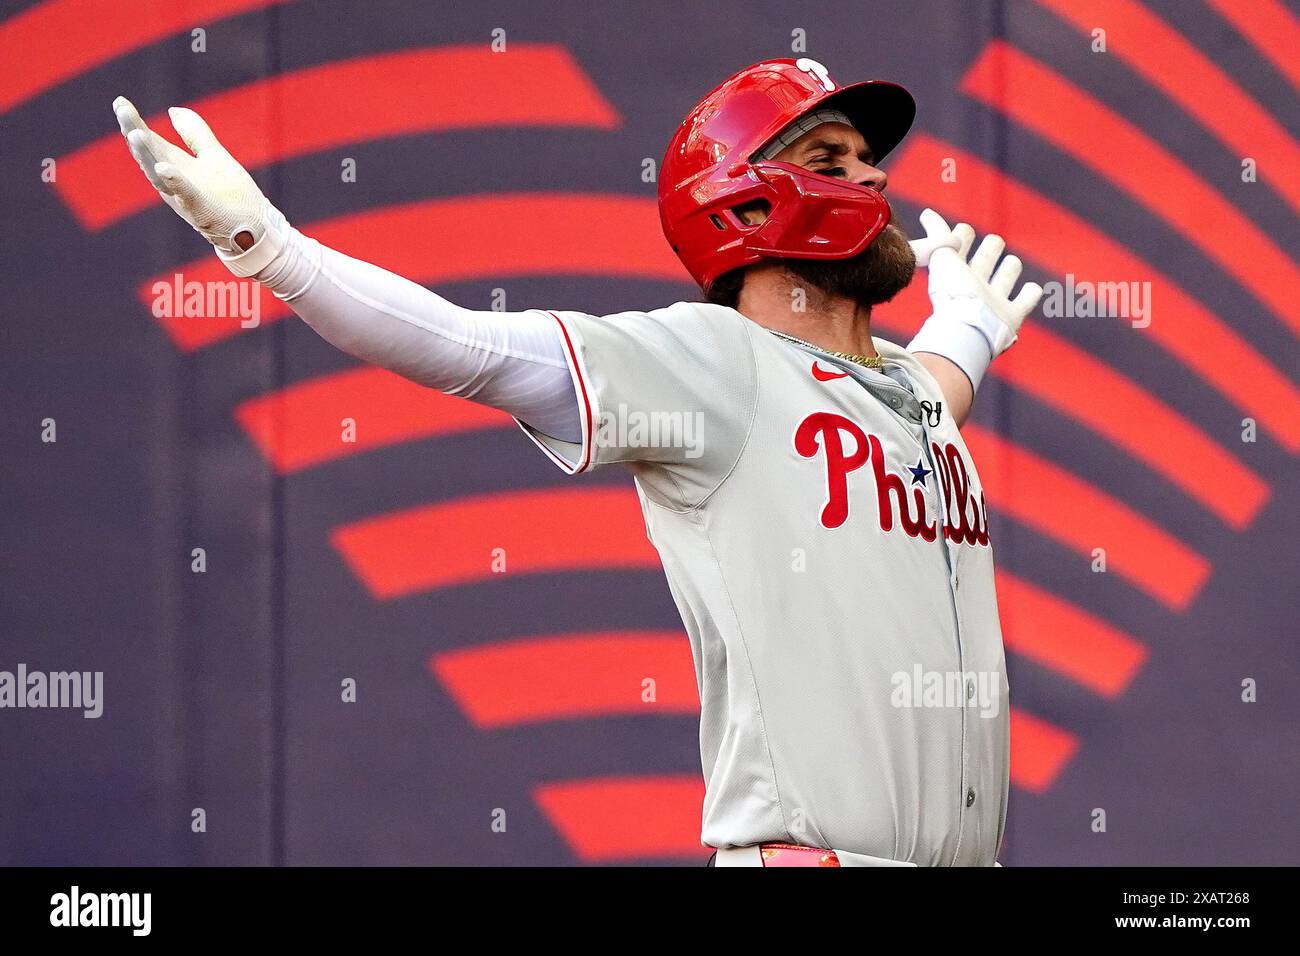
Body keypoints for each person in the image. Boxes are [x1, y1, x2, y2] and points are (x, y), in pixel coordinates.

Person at [113, 57, 1041, 867]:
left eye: (865, 157)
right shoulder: (715, 367)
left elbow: (917, 393)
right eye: (829, 160)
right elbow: (472, 348)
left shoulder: (906, 401)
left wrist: (965, 332)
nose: (872, 176)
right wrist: (273, 251)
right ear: (751, 199)